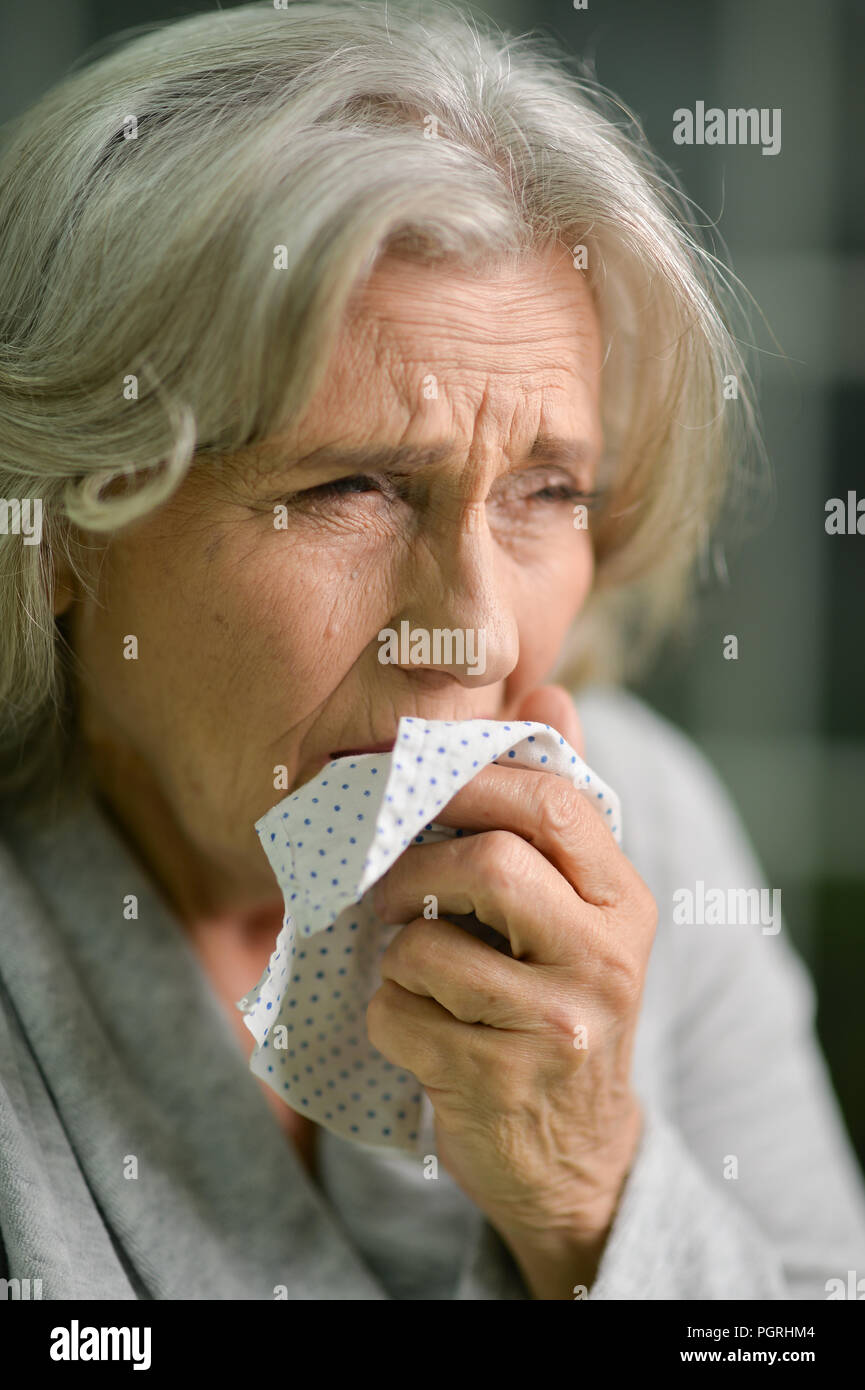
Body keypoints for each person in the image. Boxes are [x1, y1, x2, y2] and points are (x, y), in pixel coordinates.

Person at [1, 0, 863, 1301]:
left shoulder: (647, 829)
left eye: (547, 491)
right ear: (63, 527)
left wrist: (586, 1187)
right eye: (352, 485)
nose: (472, 631)